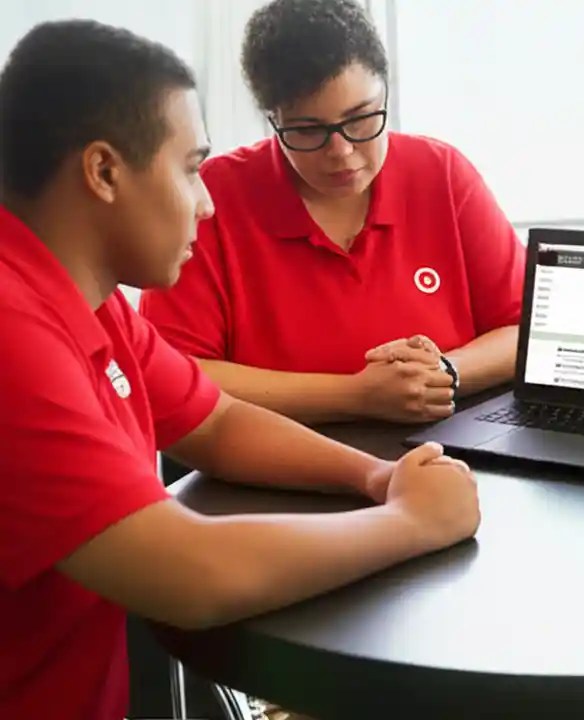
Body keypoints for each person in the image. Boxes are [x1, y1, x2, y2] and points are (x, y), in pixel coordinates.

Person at [0, 20, 481, 719]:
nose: (206, 201)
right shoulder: (12, 333)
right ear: (104, 172)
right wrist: (412, 523)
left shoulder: (86, 301)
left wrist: (375, 478)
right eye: (191, 167)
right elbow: (187, 573)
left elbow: (216, 422)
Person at [140, 0, 524, 425]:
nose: (341, 152)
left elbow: (526, 331)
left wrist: (444, 374)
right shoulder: (212, 199)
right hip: (274, 464)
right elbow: (173, 372)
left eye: (360, 119)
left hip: (446, 447)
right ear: (272, 120)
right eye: (308, 130)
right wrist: (355, 395)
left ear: (384, 93)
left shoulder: (441, 173)